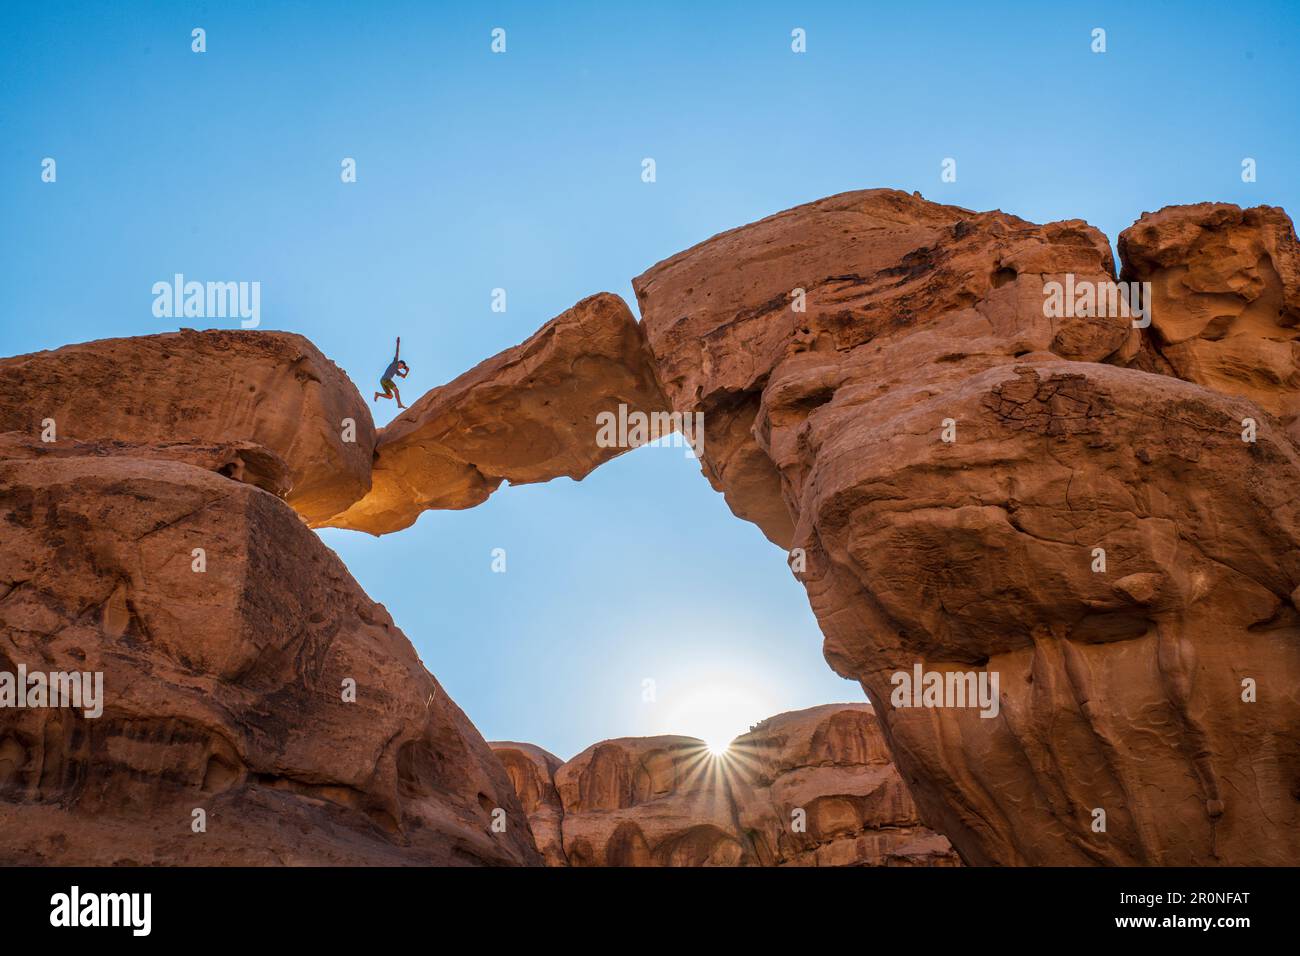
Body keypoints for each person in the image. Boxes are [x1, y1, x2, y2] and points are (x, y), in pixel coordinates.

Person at [374, 337, 410, 409]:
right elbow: (397, 352)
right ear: (400, 363)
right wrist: (398, 343)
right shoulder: (395, 362)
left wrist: (407, 372)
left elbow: (403, 377)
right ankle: (399, 404)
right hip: (386, 379)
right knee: (396, 390)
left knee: (390, 396)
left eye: (402, 367)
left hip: (382, 380)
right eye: (402, 366)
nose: (401, 368)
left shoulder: (396, 371)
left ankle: (377, 394)